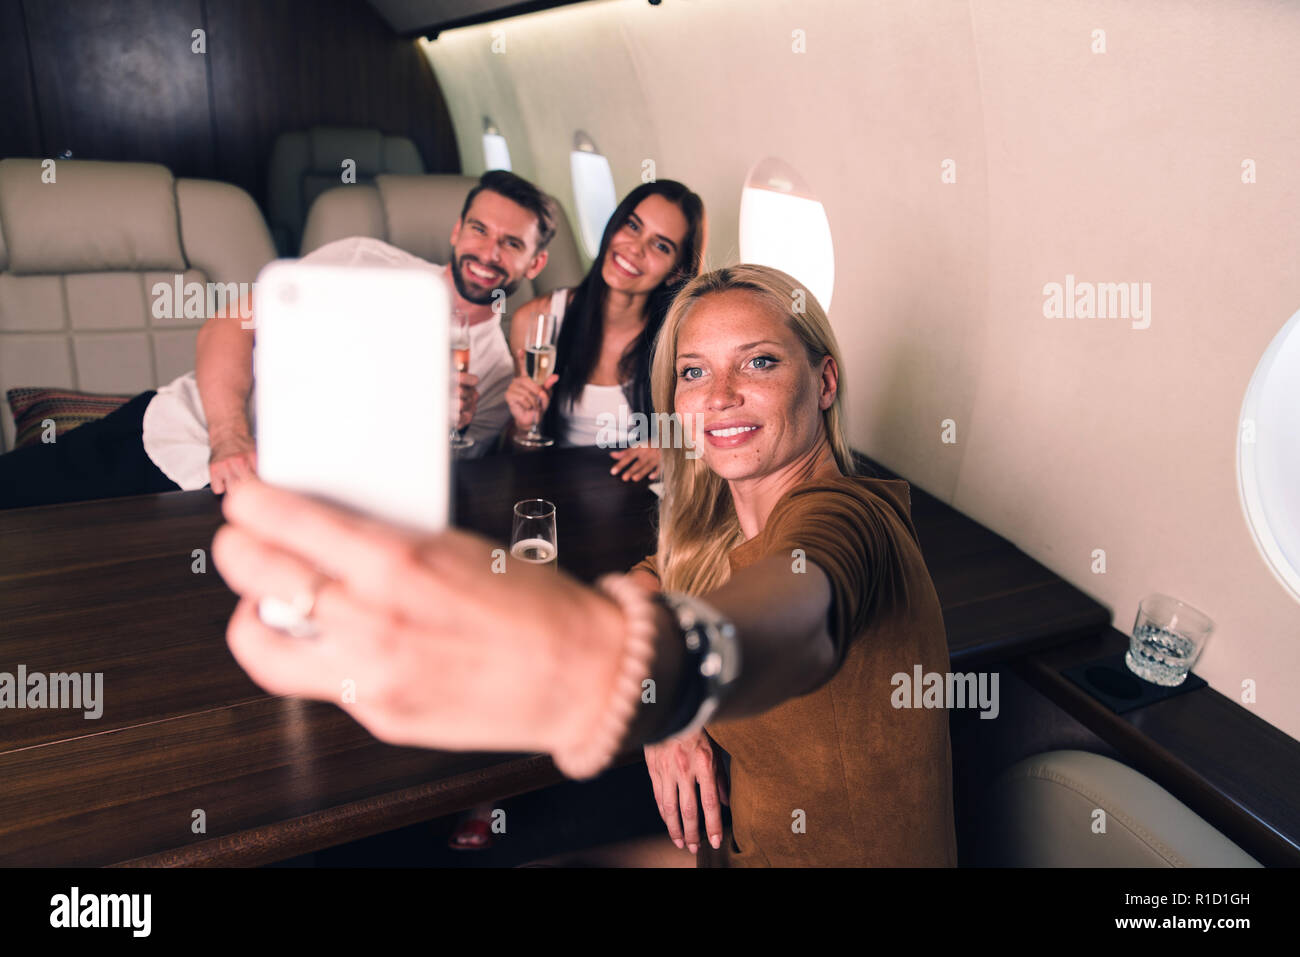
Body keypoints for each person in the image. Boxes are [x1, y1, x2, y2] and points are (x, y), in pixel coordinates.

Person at [211, 264, 959, 867]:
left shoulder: (849, 517)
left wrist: (614, 667)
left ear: (823, 382)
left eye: (758, 362)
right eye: (694, 373)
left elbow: (799, 613)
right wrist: (673, 714)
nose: (722, 394)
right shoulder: (729, 523)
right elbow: (664, 570)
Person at [0, 170, 558, 509]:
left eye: (512, 244)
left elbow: (427, 480)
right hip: (178, 440)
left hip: (287, 503)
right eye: (480, 230)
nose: (488, 253)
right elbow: (228, 327)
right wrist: (229, 437)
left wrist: (446, 423)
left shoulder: (499, 371)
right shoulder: (363, 259)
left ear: (536, 261)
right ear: (456, 231)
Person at [504, 180, 706, 483]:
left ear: (676, 271)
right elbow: (516, 460)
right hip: (556, 490)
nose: (635, 248)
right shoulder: (535, 320)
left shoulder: (683, 338)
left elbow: (713, 435)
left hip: (643, 500)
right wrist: (523, 427)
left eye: (660, 245)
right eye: (632, 226)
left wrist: (674, 448)